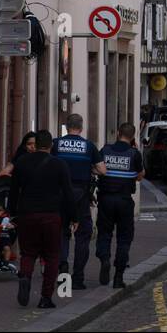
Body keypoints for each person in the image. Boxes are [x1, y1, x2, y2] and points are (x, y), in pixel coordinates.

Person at [9, 129, 75, 309]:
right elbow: (69, 194)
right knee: (52, 255)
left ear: (35, 145)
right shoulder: (60, 165)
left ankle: (25, 277)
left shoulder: (22, 162)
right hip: (51, 215)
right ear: (51, 145)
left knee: (28, 253)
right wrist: (74, 217)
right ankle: (46, 297)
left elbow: (13, 190)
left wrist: (12, 213)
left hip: (27, 215)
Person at [51, 114, 104, 287]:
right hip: (81, 196)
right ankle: (78, 277)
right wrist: (90, 170)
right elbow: (102, 170)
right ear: (81, 128)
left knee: (61, 233)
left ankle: (62, 266)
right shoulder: (89, 146)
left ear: (66, 126)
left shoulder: (57, 144)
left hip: (59, 195)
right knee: (83, 235)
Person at [95, 123, 145, 290]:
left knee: (104, 233)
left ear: (117, 133)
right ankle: (118, 277)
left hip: (105, 199)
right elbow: (140, 177)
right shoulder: (134, 154)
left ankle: (104, 259)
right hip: (124, 201)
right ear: (132, 137)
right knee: (124, 238)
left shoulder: (106, 150)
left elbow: (97, 168)